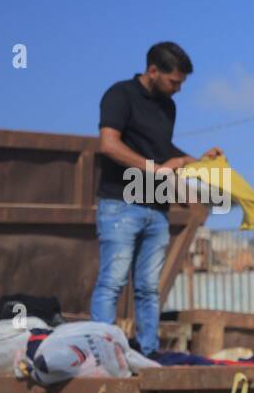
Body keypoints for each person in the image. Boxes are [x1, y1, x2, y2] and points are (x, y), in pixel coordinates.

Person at [91, 41, 221, 356]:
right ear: (153, 70)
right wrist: (156, 170)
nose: (178, 89)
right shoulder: (119, 95)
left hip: (157, 207)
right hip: (120, 204)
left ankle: (148, 353)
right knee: (112, 282)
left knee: (149, 288)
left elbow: (162, 150)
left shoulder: (168, 107)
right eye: (173, 81)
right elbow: (109, 145)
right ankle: (104, 353)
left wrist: (195, 160)